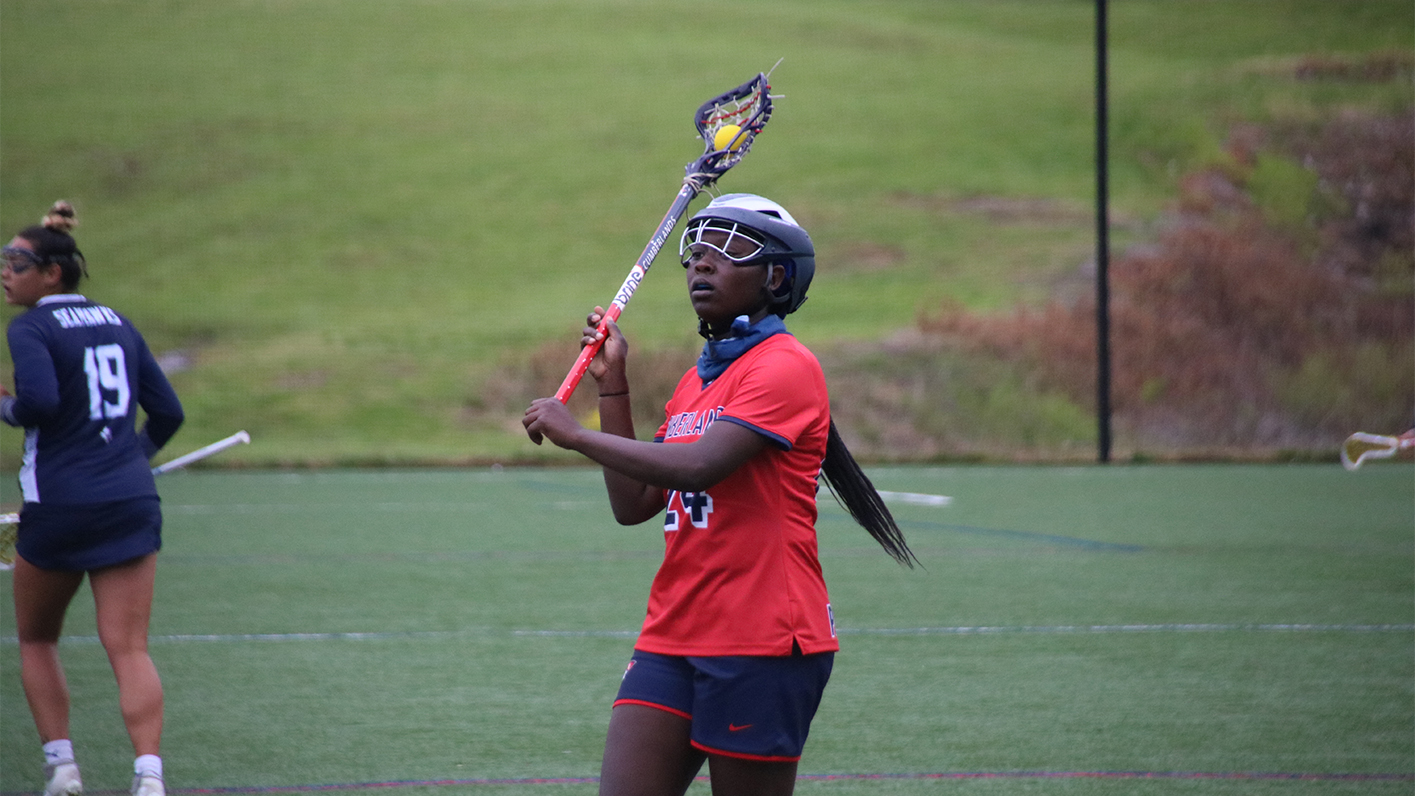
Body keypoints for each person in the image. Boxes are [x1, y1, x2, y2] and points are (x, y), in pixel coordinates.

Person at [523, 194, 915, 796]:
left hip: (761, 639)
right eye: (696, 249)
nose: (702, 261)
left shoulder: (785, 366)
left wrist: (575, 436)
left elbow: (701, 466)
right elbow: (634, 505)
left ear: (777, 276)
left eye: (729, 248)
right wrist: (614, 389)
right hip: (673, 632)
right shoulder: (696, 379)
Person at [1, 201, 184, 796]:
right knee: (130, 648)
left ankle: (63, 770)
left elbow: (39, 405)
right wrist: (131, 458)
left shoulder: (29, 328)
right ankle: (149, 778)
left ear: (51, 272)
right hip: (130, 501)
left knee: (36, 637)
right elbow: (168, 413)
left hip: (57, 507)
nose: (6, 272)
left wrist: (4, 407)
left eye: (16, 262)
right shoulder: (118, 321)